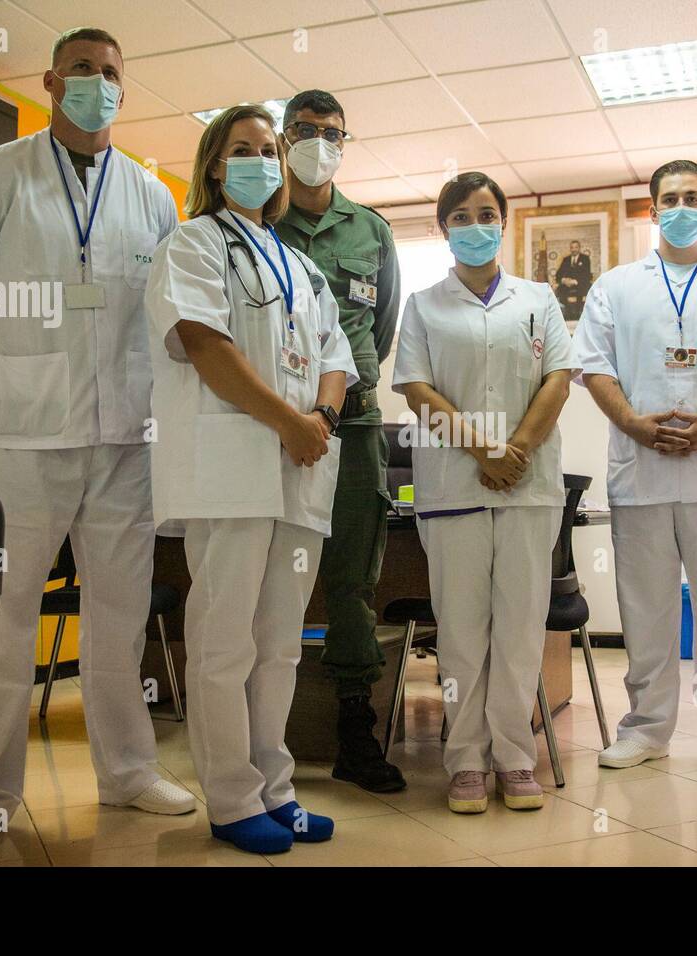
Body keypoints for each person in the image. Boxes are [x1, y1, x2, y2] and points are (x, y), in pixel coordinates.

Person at [0, 27, 194, 858]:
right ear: (50, 80)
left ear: (125, 87)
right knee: (3, 627)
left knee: (119, 621)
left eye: (112, 72)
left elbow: (162, 315)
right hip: (24, 443)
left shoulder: (154, 197)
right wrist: (26, 360)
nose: (98, 83)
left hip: (125, 440)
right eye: (83, 69)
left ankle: (128, 772)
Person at [145, 103, 355, 854]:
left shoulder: (301, 264)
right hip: (231, 471)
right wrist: (290, 423)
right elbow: (204, 345)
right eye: (244, 149)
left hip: (299, 474)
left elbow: (337, 358)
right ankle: (232, 799)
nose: (262, 161)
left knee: (281, 645)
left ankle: (277, 789)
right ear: (214, 164)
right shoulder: (193, 244)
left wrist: (321, 423)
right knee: (225, 644)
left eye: (270, 149)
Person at [392, 172, 577, 814]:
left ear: (506, 220)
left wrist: (516, 450)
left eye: (487, 213)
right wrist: (483, 452)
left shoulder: (540, 299)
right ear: (444, 229)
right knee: (462, 633)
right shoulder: (423, 304)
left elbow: (558, 377)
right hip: (452, 487)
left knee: (521, 628)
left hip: (528, 489)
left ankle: (516, 758)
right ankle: (465, 762)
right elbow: (416, 389)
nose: (476, 225)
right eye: (462, 216)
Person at [573, 159, 697, 775]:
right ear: (652, 210)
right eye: (668, 199)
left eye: (691, 198)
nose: (680, 208)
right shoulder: (616, 286)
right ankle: (647, 727)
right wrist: (631, 423)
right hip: (641, 473)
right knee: (646, 609)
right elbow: (593, 367)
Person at [274, 89, 405, 793]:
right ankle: (258, 741)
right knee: (272, 580)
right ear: (285, 135)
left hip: (351, 426)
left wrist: (342, 391)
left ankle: (355, 733)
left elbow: (377, 332)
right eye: (305, 129)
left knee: (351, 581)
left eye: (332, 132)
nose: (318, 141)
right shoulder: (260, 219)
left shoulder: (371, 231)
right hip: (272, 426)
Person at [554, 240, 593, 323]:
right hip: (568, 284)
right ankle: (568, 313)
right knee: (560, 289)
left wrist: (575, 281)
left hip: (580, 283)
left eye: (576, 247)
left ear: (579, 248)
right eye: (572, 247)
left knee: (582, 288)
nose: (574, 249)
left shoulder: (585, 258)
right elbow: (558, 274)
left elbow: (587, 274)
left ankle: (578, 313)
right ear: (570, 249)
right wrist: (564, 280)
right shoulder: (566, 259)